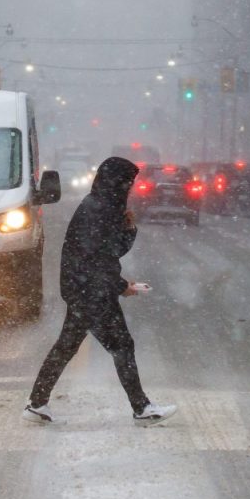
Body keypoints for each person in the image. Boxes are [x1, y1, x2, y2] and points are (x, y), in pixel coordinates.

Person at [23, 156, 174, 424]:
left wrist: (128, 228)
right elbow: (97, 258)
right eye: (128, 182)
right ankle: (141, 408)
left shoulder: (102, 205)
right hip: (91, 292)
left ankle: (37, 403)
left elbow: (111, 250)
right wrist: (121, 286)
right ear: (117, 182)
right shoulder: (99, 209)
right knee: (121, 345)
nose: (130, 188)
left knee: (67, 346)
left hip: (83, 289)